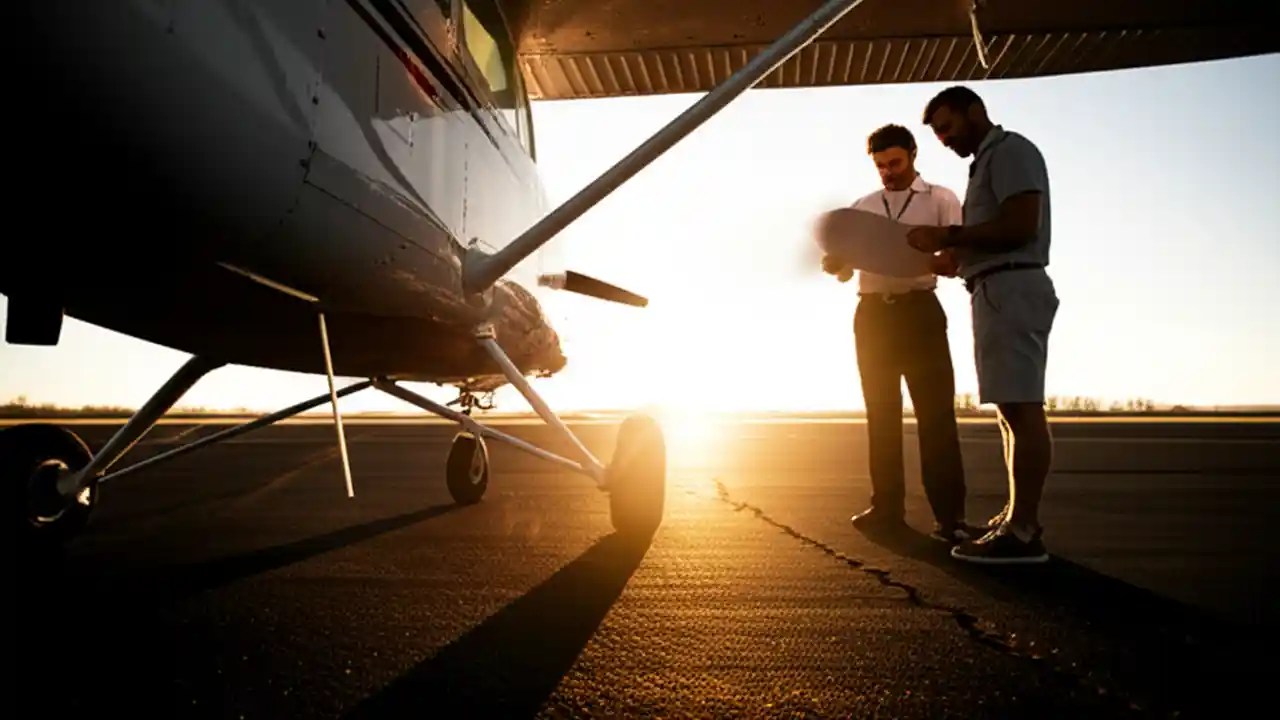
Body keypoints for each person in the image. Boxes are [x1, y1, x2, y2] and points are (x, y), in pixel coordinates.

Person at [906, 85, 1059, 564]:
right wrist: (953, 256)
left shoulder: (1010, 151)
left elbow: (1020, 226)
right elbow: (994, 234)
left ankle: (1025, 530)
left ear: (975, 112)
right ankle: (1017, 517)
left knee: (1022, 409)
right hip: (994, 286)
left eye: (947, 127)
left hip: (1011, 287)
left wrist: (950, 234)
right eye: (937, 135)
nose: (945, 140)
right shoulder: (985, 164)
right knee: (1009, 410)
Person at [824, 123, 974, 544]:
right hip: (872, 316)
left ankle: (950, 518)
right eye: (880, 166)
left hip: (920, 312)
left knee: (937, 416)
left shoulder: (941, 199)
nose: (887, 172)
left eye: (894, 163)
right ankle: (886, 507)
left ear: (912, 155)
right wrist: (836, 267)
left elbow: (957, 254)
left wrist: (941, 261)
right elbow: (846, 270)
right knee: (881, 414)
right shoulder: (862, 206)